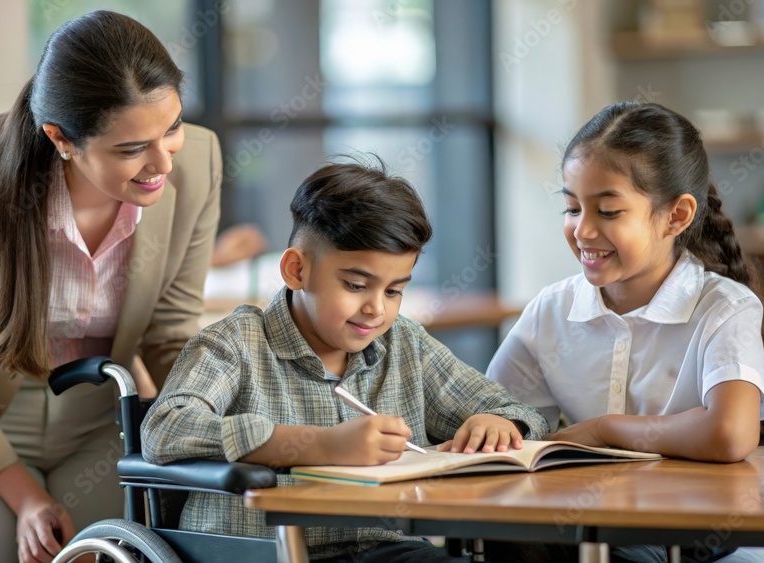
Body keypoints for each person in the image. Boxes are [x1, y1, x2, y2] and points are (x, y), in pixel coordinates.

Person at [0, 10, 222, 563]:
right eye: (131, 148)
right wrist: (27, 497)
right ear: (61, 138)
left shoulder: (199, 163)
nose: (162, 163)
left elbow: (169, 335)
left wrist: (237, 420)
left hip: (94, 419)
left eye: (171, 127)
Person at [141, 158, 550, 562]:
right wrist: (318, 446)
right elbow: (164, 429)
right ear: (296, 270)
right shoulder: (235, 344)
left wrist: (499, 424)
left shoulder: (404, 342)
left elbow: (518, 413)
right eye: (356, 285)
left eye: (393, 291)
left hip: (384, 549)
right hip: (265, 554)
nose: (376, 309)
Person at [486, 102, 764, 563]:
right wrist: (494, 428)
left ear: (677, 216)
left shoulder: (723, 307)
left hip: (710, 544)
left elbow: (729, 432)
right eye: (572, 208)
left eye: (608, 211)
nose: (583, 230)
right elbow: (498, 412)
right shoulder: (552, 309)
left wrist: (604, 430)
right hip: (601, 533)